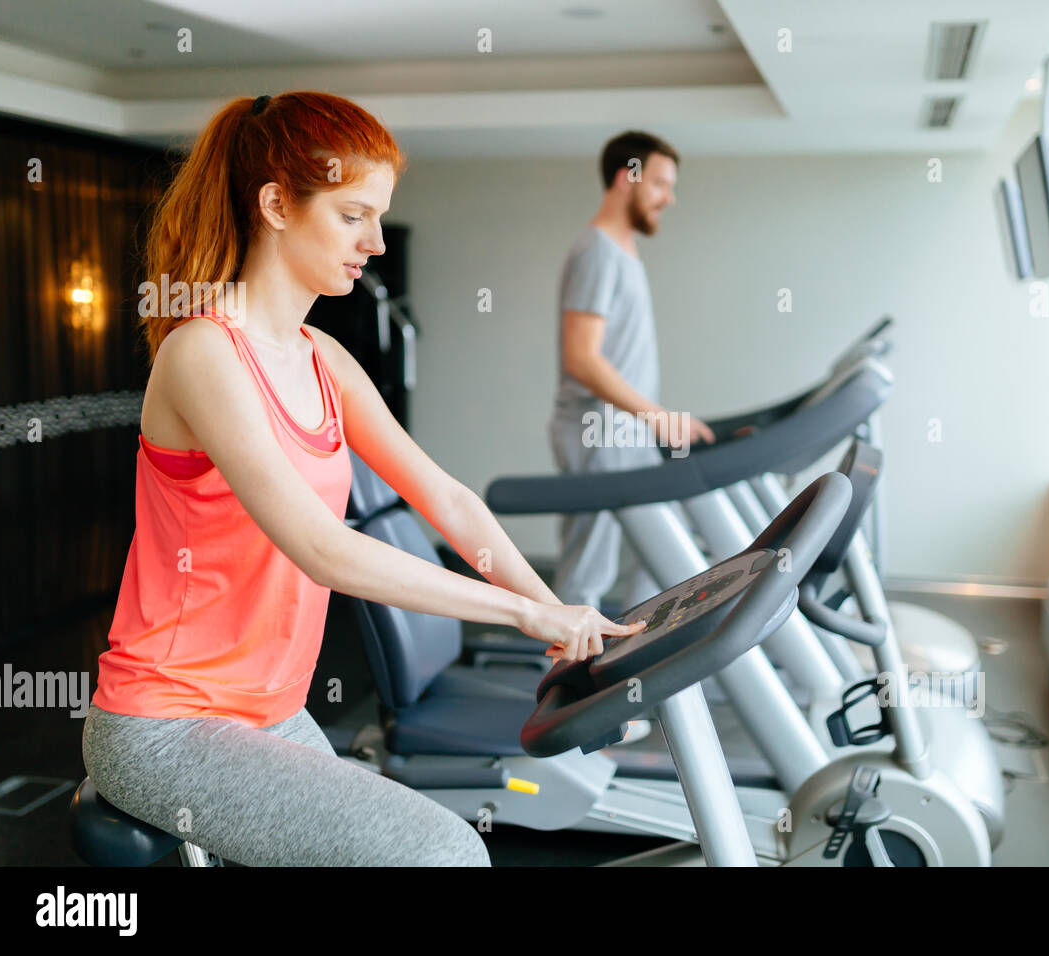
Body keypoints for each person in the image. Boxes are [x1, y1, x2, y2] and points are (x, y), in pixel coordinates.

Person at [83, 91, 645, 867]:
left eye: (377, 217)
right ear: (277, 205)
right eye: (353, 215)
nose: (375, 241)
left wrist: (559, 616)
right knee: (445, 856)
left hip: (271, 714)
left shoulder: (323, 357)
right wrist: (519, 613)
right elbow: (324, 551)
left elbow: (446, 498)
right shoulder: (205, 354)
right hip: (168, 724)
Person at [549, 131, 716, 611]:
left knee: (663, 554)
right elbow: (581, 357)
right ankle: (562, 685)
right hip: (599, 431)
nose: (670, 197)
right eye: (661, 184)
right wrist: (660, 417)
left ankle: (644, 668)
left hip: (625, 431)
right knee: (587, 571)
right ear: (629, 178)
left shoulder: (622, 252)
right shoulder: (598, 251)